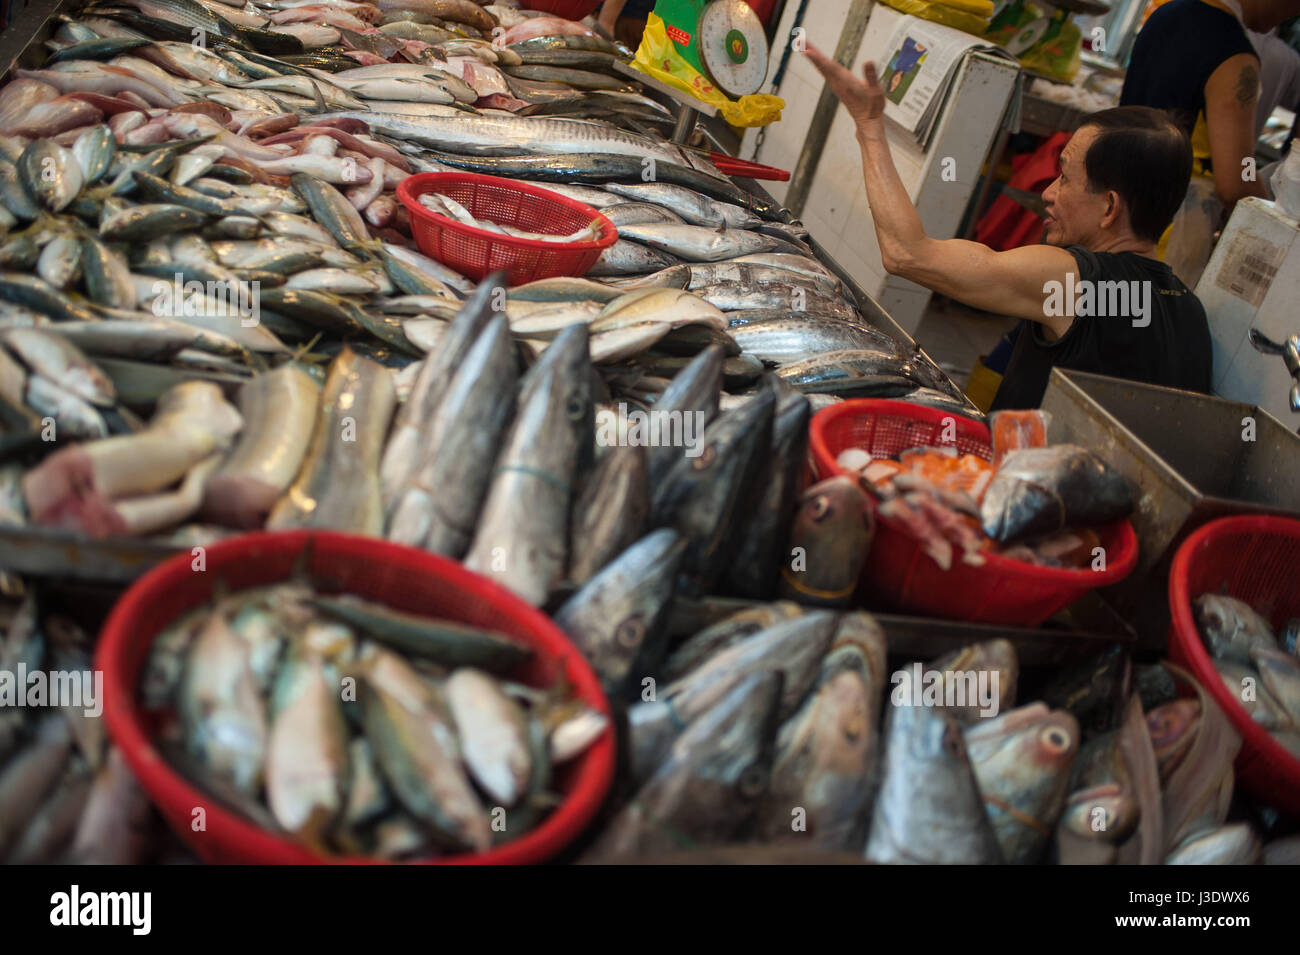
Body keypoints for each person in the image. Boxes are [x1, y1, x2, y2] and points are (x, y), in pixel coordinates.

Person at [804, 46, 1213, 411]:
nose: (1049, 193)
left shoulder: (1073, 283)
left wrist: (870, 128)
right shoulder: (1190, 312)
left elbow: (906, 253)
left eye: (1065, 178)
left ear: (1109, 207)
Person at [1120, 0, 1300, 285]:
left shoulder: (1167, 13)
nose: (1293, 13)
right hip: (1170, 224)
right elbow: (1236, 179)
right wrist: (1280, 219)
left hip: (1116, 196)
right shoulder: (1235, 56)